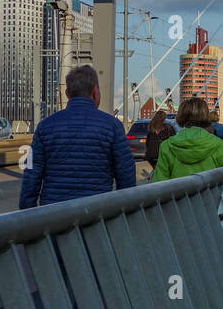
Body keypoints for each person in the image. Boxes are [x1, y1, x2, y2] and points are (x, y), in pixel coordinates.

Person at [19, 65, 137, 209]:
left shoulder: (45, 126)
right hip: (97, 213)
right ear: (95, 91)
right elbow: (126, 174)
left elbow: (32, 171)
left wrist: (27, 210)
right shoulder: (112, 126)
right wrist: (126, 209)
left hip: (54, 214)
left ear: (67, 93)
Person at [152, 97, 223, 180]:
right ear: (205, 115)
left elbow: (158, 183)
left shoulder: (167, 146)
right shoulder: (219, 145)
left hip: (179, 192)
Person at [144, 109, 171, 178]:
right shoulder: (167, 128)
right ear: (164, 118)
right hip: (162, 154)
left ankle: (155, 177)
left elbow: (147, 142)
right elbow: (172, 141)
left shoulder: (151, 128)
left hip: (151, 155)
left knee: (156, 169)